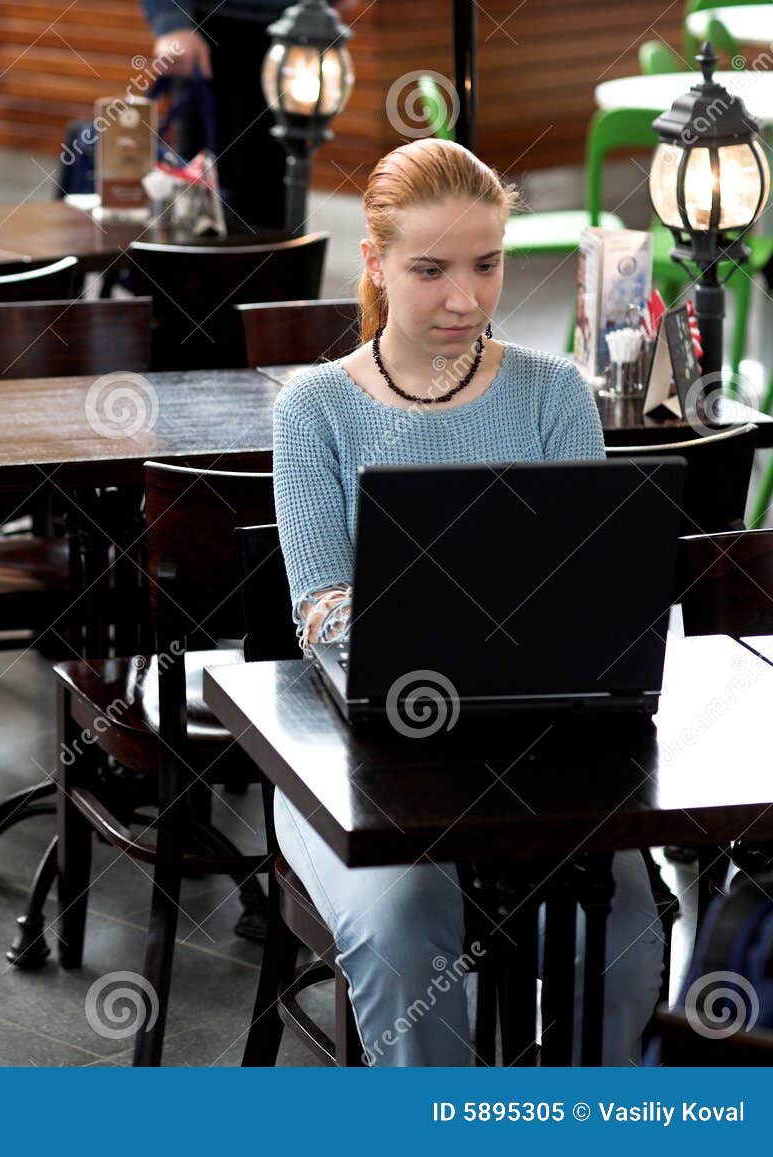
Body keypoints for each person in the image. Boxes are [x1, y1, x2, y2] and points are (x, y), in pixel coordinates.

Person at [269, 137, 666, 1065]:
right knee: (404, 919)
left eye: (487, 265)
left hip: (535, 756)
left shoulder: (555, 394)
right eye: (431, 269)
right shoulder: (315, 408)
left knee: (623, 933)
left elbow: (589, 592)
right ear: (374, 264)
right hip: (355, 765)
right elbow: (321, 608)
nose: (465, 298)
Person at [140, 0, 355, 233]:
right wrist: (171, 23)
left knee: (276, 182)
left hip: (292, 27)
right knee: (204, 188)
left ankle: (273, 260)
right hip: (206, 27)